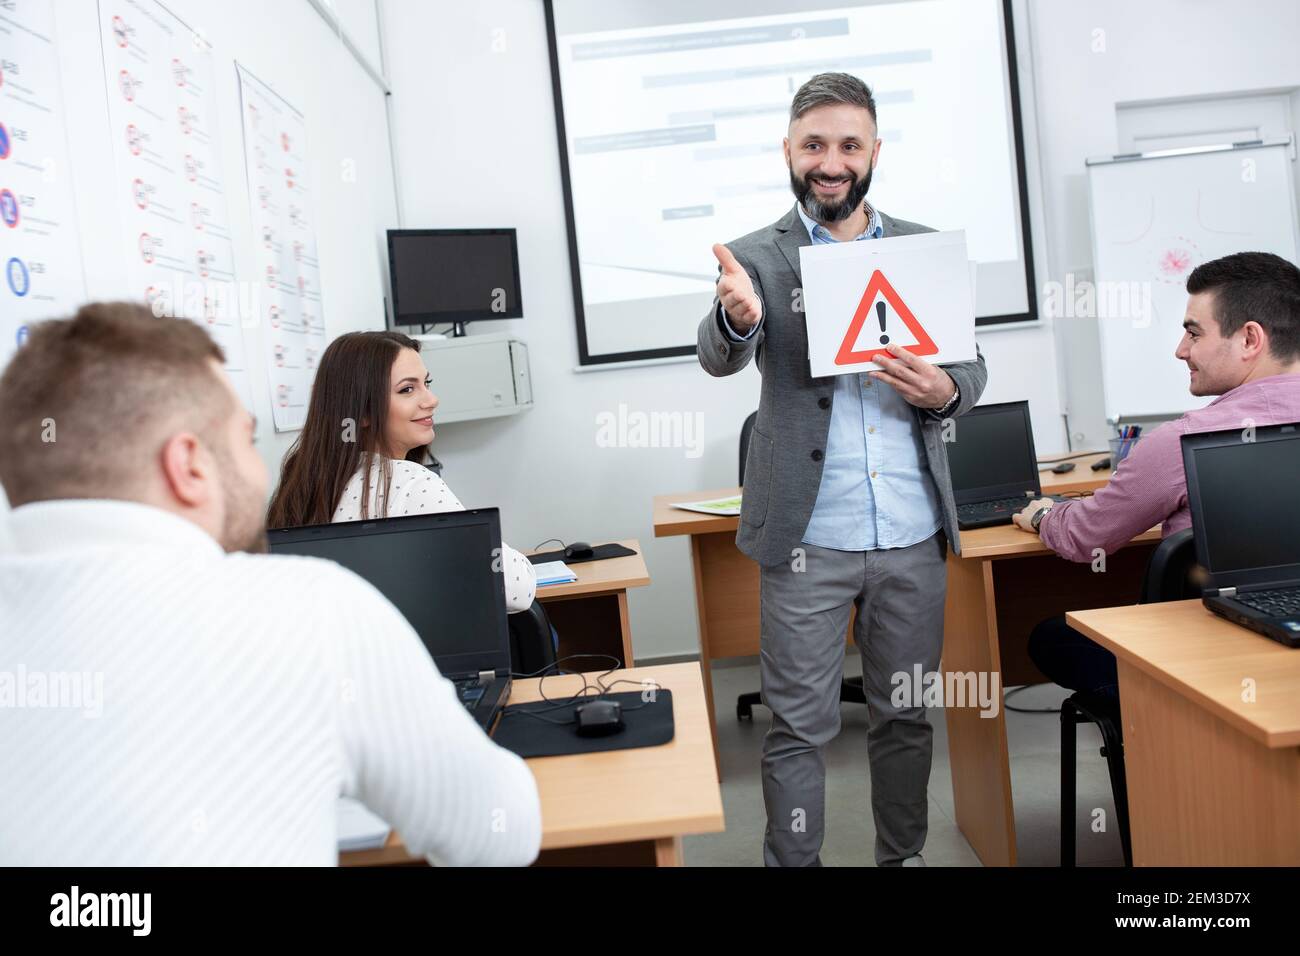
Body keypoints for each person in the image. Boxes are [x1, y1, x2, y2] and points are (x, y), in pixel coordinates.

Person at [0, 303, 542, 865]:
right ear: (188, 466)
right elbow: (498, 834)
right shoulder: (310, 609)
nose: (257, 471)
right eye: (243, 439)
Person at [697, 72, 988, 867]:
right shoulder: (754, 257)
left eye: (848, 145)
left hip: (910, 531)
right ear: (788, 152)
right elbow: (717, 355)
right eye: (814, 145)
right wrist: (736, 316)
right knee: (797, 727)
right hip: (807, 538)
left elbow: (972, 370)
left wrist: (945, 389)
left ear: (873, 152)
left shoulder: (921, 249)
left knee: (906, 718)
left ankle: (905, 858)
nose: (831, 162)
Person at [1013, 251, 1300, 695]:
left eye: (1193, 332)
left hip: (1203, 665)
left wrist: (1044, 515)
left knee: (1048, 637)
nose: (1180, 350)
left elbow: (1085, 539)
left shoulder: (1183, 442)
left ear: (1249, 340)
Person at [267, 330, 536, 613]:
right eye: (407, 389)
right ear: (364, 413)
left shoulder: (304, 483)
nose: (431, 399)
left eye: (426, 383)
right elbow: (517, 589)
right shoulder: (411, 484)